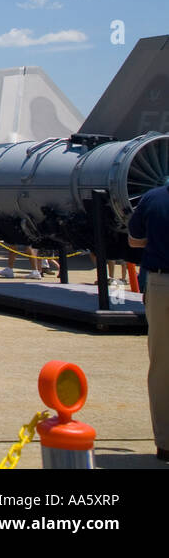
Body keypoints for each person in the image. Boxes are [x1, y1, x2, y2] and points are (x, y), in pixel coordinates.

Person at [127, 179, 169, 462]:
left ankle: (165, 442)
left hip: (161, 283)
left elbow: (134, 240)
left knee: (162, 365)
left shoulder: (152, 199)